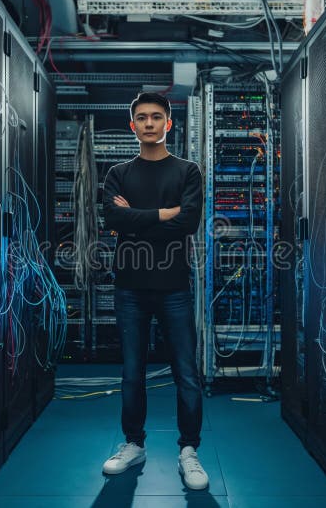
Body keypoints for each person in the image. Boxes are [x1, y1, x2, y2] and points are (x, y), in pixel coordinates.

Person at [100, 92, 207, 490]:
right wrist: (164, 214)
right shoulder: (118, 173)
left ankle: (189, 450)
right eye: (142, 117)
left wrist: (135, 219)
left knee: (186, 373)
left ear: (168, 124)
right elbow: (112, 218)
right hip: (129, 288)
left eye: (156, 117)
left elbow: (189, 223)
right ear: (133, 126)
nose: (149, 123)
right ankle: (134, 444)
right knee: (132, 373)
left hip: (174, 287)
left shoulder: (188, 172)